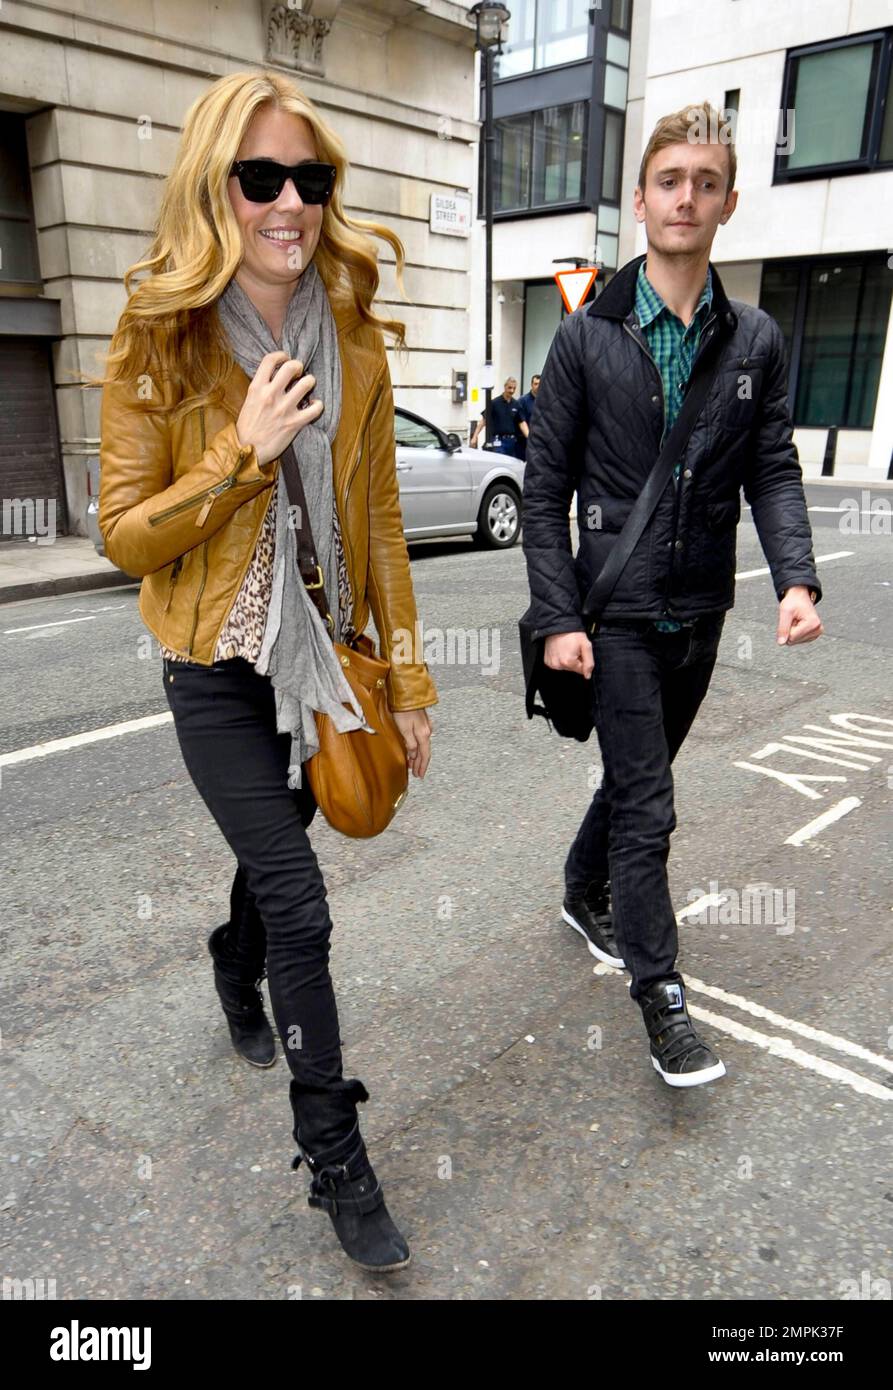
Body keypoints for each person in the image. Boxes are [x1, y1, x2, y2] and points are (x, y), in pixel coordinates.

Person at [96, 70, 437, 1269]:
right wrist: (242, 455)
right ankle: (336, 1156)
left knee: (272, 868)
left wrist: (406, 679)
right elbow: (125, 532)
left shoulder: (347, 328)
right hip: (217, 666)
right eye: (261, 179)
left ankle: (232, 961)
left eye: (310, 179)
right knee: (301, 893)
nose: (288, 201)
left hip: (326, 656)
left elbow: (383, 519)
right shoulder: (158, 333)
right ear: (215, 188)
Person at [521, 101, 822, 1088]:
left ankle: (579, 885)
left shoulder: (754, 343)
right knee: (650, 805)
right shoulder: (585, 338)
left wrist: (793, 578)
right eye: (667, 180)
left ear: (726, 202)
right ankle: (661, 996)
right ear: (639, 198)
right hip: (613, 614)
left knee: (630, 777)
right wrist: (559, 615)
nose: (683, 197)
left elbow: (771, 469)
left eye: (702, 182)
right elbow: (542, 491)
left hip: (698, 610)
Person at [470, 377, 522, 455]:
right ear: (505, 387)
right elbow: (484, 421)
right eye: (510, 388)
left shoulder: (516, 404)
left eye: (514, 388)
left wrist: (530, 438)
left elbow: (522, 423)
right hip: (498, 441)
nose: (512, 391)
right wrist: (474, 437)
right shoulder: (494, 403)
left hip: (511, 441)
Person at [516, 374, 541, 462]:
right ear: (531, 385)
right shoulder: (523, 401)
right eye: (536, 384)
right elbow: (521, 422)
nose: (538, 386)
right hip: (524, 442)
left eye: (540, 384)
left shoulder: (544, 400)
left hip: (539, 441)